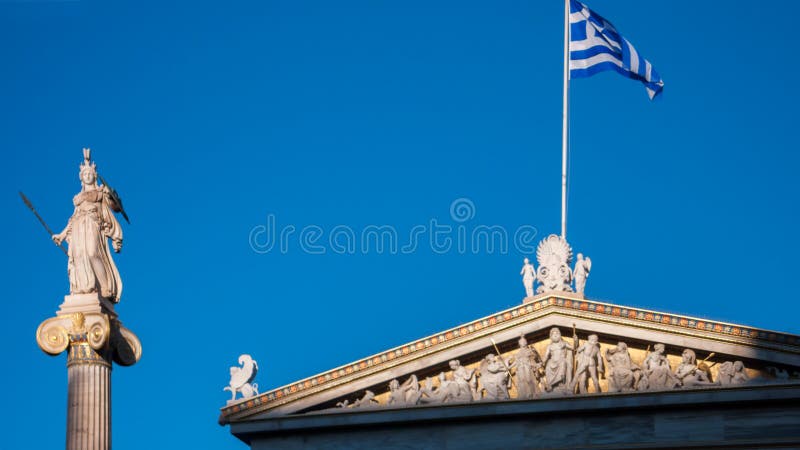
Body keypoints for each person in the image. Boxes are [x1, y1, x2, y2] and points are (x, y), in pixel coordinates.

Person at [52, 149, 124, 302]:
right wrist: (62, 235)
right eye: (85, 174)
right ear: (81, 178)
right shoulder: (78, 198)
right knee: (79, 256)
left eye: (90, 173)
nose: (87, 176)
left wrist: (112, 197)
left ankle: (105, 287)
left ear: (95, 176)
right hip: (79, 227)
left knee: (92, 253)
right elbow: (73, 219)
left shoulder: (100, 192)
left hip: (92, 225)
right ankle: (86, 288)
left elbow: (115, 207)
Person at [509, 335, 542, 399]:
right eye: (521, 342)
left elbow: (534, 358)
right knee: (522, 381)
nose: (523, 342)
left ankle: (532, 393)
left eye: (524, 341)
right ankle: (525, 394)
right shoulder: (518, 353)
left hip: (528, 367)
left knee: (529, 380)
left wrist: (535, 362)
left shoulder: (529, 351)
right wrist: (509, 367)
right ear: (519, 343)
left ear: (526, 342)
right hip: (520, 368)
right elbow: (516, 362)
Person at [543, 328, 573, 392]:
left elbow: (573, 348)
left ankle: (561, 384)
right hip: (552, 361)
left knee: (563, 363)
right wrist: (543, 362)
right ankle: (550, 385)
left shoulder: (564, 343)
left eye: (557, 334)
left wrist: (575, 341)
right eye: (553, 334)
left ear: (560, 335)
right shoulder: (549, 346)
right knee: (548, 365)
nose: (555, 335)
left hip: (561, 360)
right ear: (551, 336)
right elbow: (546, 356)